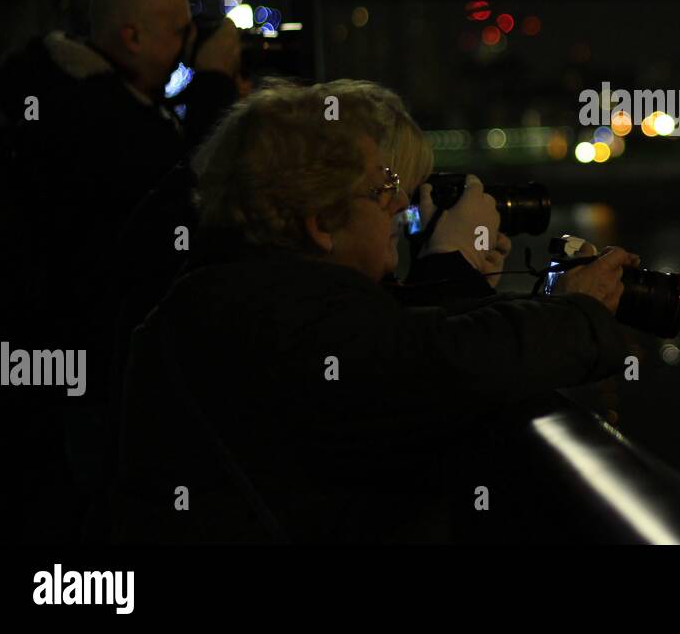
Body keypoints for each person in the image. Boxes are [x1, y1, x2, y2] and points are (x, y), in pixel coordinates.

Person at [106, 79, 637, 543]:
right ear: (320, 222)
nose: (400, 206)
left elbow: (401, 356)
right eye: (382, 189)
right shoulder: (286, 315)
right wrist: (579, 310)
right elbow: (441, 364)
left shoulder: (232, 295)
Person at [0, 0, 241, 543]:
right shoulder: (94, 118)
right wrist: (213, 89)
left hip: (50, 380)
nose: (187, 48)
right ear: (131, 36)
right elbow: (188, 195)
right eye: (179, 32)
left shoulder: (65, 97)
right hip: (85, 381)